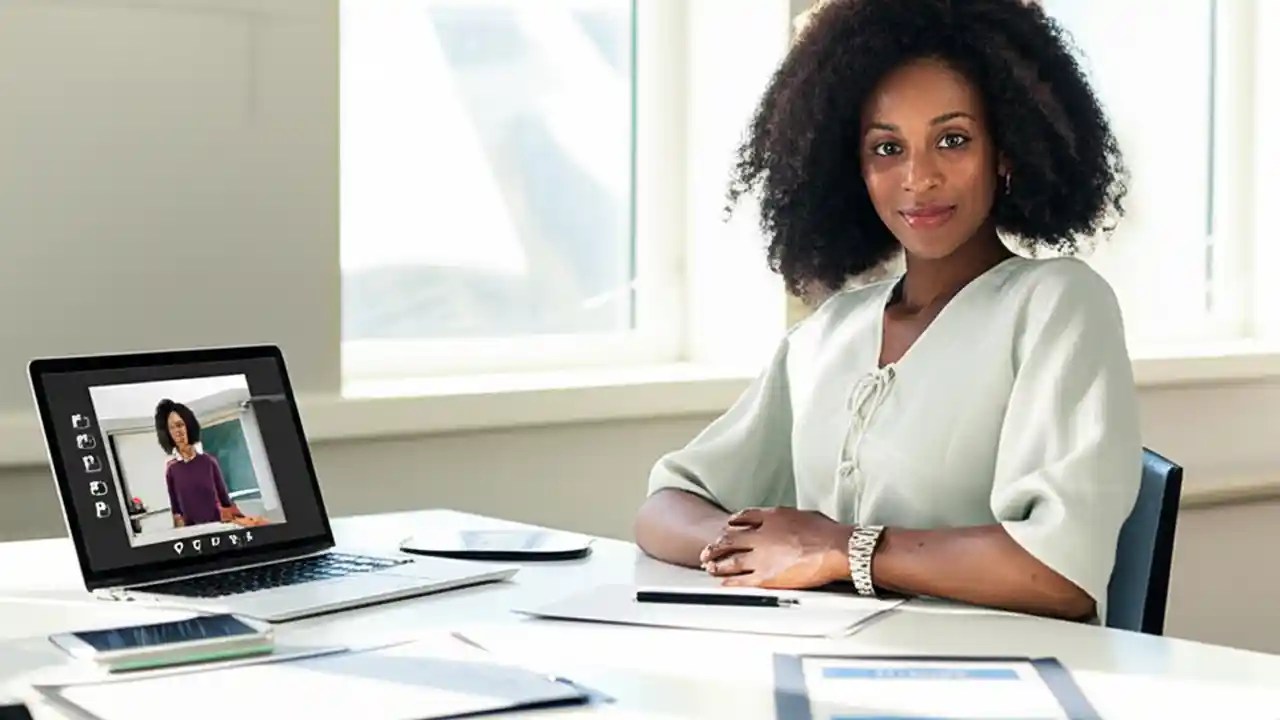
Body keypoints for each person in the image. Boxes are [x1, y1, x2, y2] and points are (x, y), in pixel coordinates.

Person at [634, 0, 1141, 624]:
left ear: (1005, 152)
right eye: (886, 148)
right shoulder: (828, 333)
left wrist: (838, 549)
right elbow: (665, 508)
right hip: (825, 664)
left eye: (952, 140)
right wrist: (750, 549)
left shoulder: (1058, 306)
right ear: (854, 171)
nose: (918, 178)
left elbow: (1058, 574)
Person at [155, 399, 267, 529]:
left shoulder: (208, 462)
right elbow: (177, 512)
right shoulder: (171, 470)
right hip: (193, 533)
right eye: (172, 428)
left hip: (218, 528)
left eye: (180, 425)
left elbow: (226, 502)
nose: (177, 432)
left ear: (188, 426)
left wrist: (248, 523)